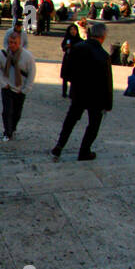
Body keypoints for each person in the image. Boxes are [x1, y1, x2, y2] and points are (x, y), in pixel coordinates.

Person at [50, 22, 113, 163]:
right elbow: (107, 83)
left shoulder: (77, 48)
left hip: (78, 92)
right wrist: (108, 103)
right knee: (93, 124)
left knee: (70, 120)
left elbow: (67, 70)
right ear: (103, 37)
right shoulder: (104, 55)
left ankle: (59, 145)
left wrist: (74, 84)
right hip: (96, 97)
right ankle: (84, 151)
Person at [0, 30, 36, 141]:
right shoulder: (2, 55)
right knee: (7, 111)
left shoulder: (27, 56)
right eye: (10, 42)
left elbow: (31, 73)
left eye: (15, 43)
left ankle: (12, 128)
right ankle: (7, 132)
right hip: (7, 87)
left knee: (17, 113)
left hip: (20, 89)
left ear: (19, 43)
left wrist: (25, 89)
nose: (12, 45)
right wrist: (3, 83)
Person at [60, 22, 80, 97]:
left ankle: (72, 93)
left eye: (74, 29)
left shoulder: (79, 40)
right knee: (65, 77)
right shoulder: (67, 39)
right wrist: (66, 47)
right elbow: (63, 47)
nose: (73, 31)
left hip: (75, 61)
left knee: (73, 78)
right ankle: (64, 92)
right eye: (71, 29)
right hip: (67, 59)